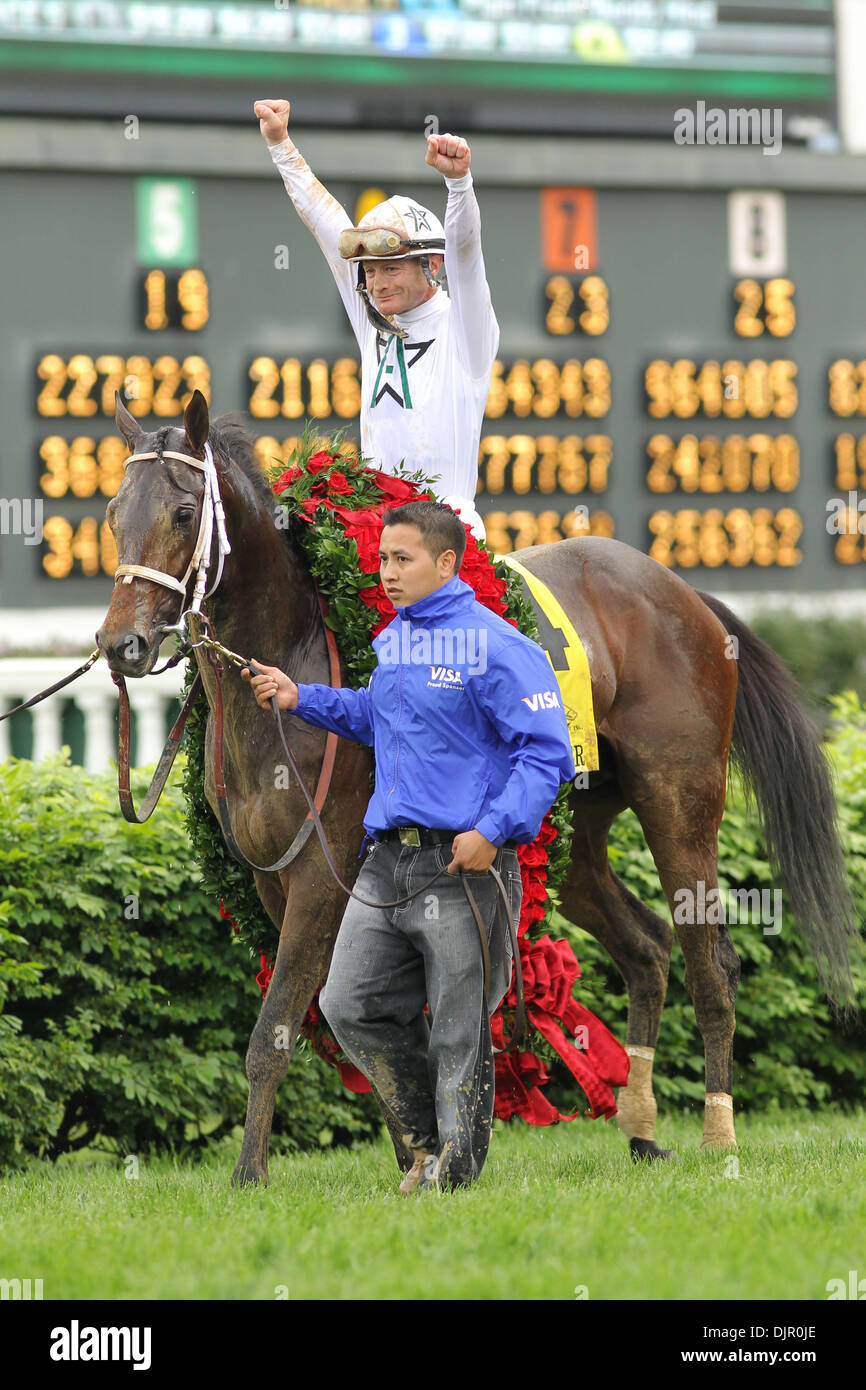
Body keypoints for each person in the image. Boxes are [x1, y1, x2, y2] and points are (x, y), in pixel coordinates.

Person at [242, 500, 574, 1192]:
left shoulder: (498, 645)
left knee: (458, 1027)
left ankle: (451, 1176)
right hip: (387, 861)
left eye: (403, 559)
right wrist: (299, 695)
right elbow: (373, 715)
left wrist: (493, 831)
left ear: (446, 563)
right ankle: (425, 1142)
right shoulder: (397, 639)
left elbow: (546, 756)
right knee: (346, 1004)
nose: (386, 572)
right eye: (383, 558)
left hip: (463, 866)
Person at [255, 98, 498, 540]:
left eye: (390, 269)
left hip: (453, 542)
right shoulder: (372, 318)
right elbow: (327, 226)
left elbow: (467, 253)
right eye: (368, 272)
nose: (376, 283)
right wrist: (281, 145)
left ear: (433, 266)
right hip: (379, 537)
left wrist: (459, 184)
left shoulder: (465, 328)